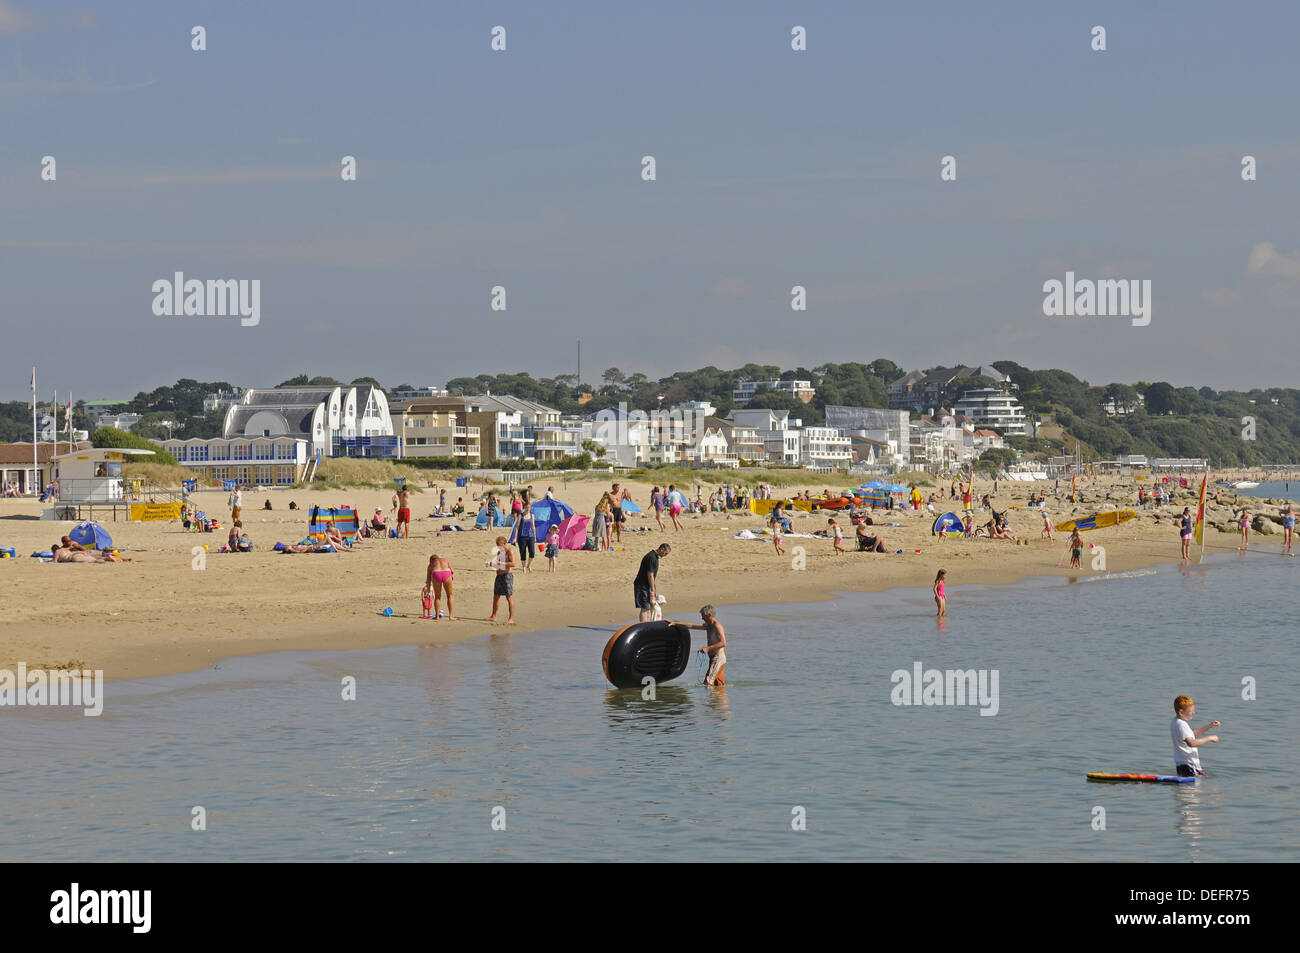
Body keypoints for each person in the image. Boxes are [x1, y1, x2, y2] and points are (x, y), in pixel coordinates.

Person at [670, 605, 726, 687]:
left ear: (709, 615)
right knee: (717, 685)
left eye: (703, 616)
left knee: (708, 682)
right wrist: (675, 623)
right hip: (713, 658)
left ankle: (710, 700)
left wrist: (707, 648)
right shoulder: (708, 625)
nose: (702, 618)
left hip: (718, 658)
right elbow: (691, 625)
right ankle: (717, 699)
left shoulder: (717, 626)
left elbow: (723, 643)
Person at [1171, 695, 1220, 777]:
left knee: (1189, 789)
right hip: (1190, 766)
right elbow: (1191, 743)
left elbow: (1192, 735)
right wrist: (1210, 738)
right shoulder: (1182, 725)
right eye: (1191, 711)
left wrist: (1209, 726)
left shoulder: (1175, 722)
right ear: (1181, 712)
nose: (1194, 713)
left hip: (1182, 766)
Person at [635, 544, 670, 622]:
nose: (665, 555)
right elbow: (650, 574)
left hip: (647, 585)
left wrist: (655, 589)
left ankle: (648, 626)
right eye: (666, 553)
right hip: (642, 584)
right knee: (645, 607)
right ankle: (644, 627)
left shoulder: (655, 557)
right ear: (662, 549)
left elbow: (653, 576)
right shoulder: (652, 557)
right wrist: (652, 590)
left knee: (649, 607)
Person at [486, 536, 516, 624]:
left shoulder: (510, 551)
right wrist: (492, 564)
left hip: (507, 576)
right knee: (496, 596)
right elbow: (498, 564)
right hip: (499, 576)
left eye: (499, 545)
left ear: (504, 544)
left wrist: (501, 563)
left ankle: (511, 619)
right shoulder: (500, 552)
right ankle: (493, 616)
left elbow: (513, 564)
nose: (498, 547)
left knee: (509, 597)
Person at [424, 554, 455, 620]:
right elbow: (452, 571)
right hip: (446, 573)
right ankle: (451, 616)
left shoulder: (431, 564)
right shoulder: (445, 560)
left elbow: (428, 579)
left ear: (431, 560)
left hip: (436, 573)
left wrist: (429, 590)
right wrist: (451, 575)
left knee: (437, 596)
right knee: (450, 595)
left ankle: (437, 616)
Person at [513, 500, 538, 572]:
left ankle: (529, 565)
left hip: (531, 536)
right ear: (524, 508)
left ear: (530, 508)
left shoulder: (532, 516)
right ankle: (524, 567)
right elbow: (517, 527)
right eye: (526, 507)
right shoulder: (521, 515)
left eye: (529, 507)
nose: (528, 509)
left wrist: (535, 536)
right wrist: (515, 538)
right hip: (522, 536)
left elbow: (533, 527)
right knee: (523, 552)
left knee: (532, 553)